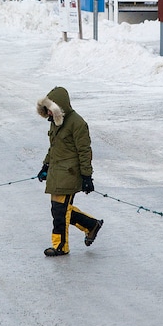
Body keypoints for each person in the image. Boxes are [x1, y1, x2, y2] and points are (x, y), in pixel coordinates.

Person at [36, 86, 103, 257]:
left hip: (70, 173)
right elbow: (54, 148)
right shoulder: (55, 123)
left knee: (60, 211)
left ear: (59, 108)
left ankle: (60, 246)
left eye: (50, 110)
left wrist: (87, 176)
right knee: (60, 210)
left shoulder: (77, 124)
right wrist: (46, 166)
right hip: (57, 173)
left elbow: (85, 151)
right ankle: (91, 225)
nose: (48, 114)